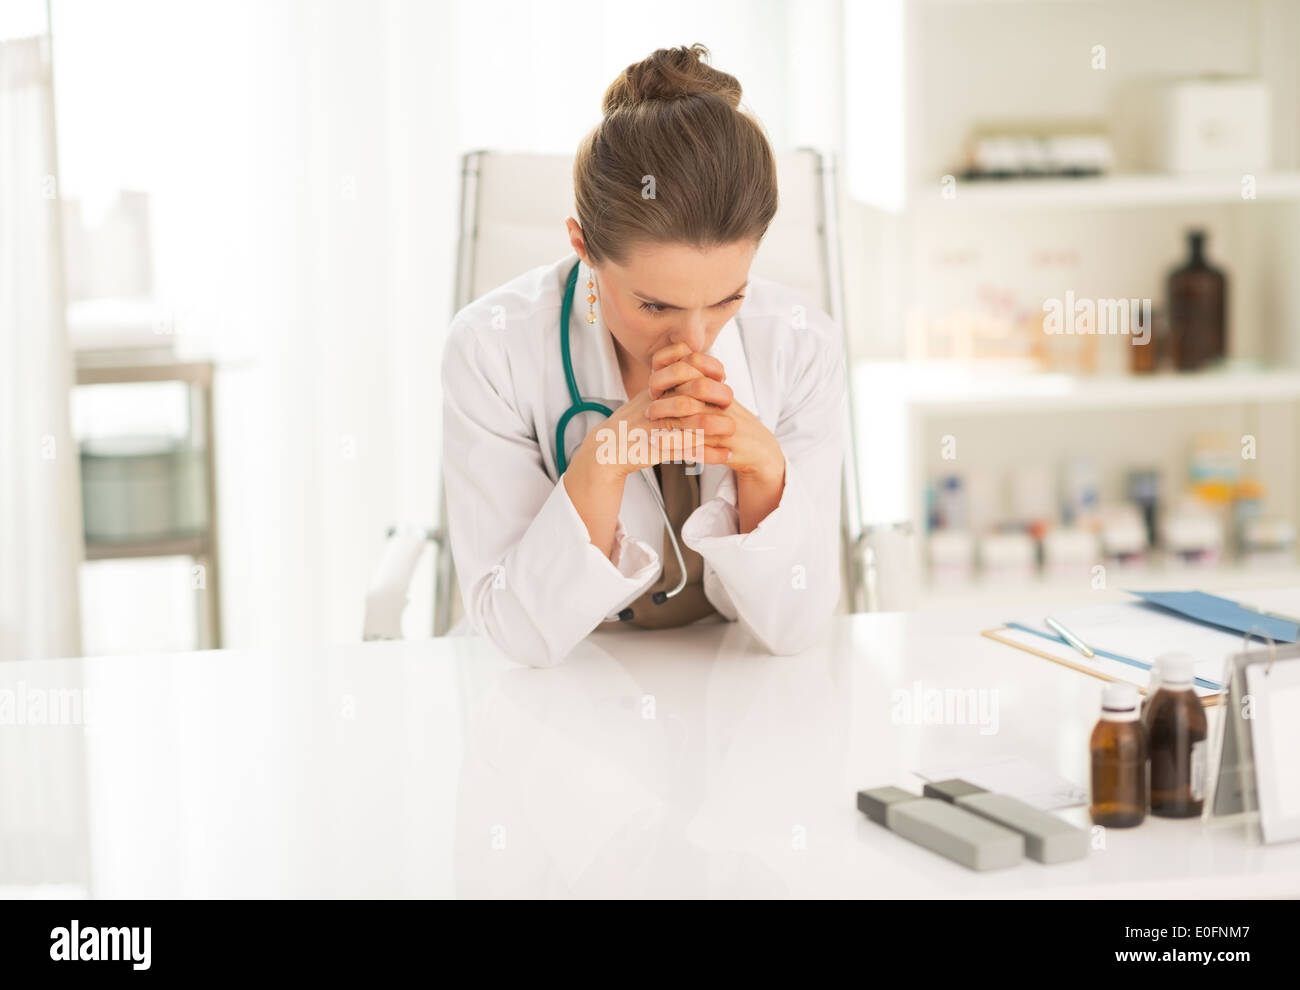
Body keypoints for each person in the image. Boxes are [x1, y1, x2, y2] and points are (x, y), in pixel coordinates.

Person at [441, 43, 846, 667]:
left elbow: (794, 629)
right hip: (556, 695)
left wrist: (765, 472)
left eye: (727, 298)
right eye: (656, 306)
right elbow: (516, 633)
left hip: (731, 688)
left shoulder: (801, 346)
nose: (695, 340)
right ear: (582, 244)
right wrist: (603, 461)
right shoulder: (491, 348)